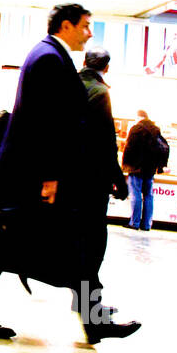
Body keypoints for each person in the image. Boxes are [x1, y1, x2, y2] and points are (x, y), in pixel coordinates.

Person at [0, 3, 141, 344]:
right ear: (67, 25)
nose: (89, 33)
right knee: (10, 244)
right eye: (86, 26)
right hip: (31, 177)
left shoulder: (48, 55)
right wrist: (51, 178)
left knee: (28, 245)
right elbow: (46, 126)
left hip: (28, 175)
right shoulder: (48, 59)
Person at [78, 48, 131, 315]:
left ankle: (89, 308)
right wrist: (119, 180)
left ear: (84, 62)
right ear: (107, 68)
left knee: (80, 243)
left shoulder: (70, 84)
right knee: (93, 244)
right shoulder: (100, 93)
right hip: (92, 182)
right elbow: (105, 142)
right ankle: (90, 310)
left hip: (69, 180)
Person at [121, 110, 164, 230]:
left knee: (136, 194)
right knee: (149, 195)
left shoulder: (136, 128)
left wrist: (125, 165)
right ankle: (146, 224)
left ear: (138, 117)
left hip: (136, 167)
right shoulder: (155, 129)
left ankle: (134, 223)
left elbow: (129, 147)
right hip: (150, 168)